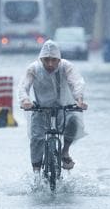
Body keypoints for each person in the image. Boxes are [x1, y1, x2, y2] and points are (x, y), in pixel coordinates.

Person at [18, 40, 88, 173]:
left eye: (54, 60)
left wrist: (79, 99)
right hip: (40, 109)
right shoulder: (34, 68)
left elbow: (76, 82)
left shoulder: (66, 67)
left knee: (73, 121)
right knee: (36, 138)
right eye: (46, 60)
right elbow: (23, 86)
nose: (50, 64)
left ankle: (65, 151)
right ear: (41, 59)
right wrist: (25, 100)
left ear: (59, 60)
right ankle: (36, 171)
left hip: (63, 107)